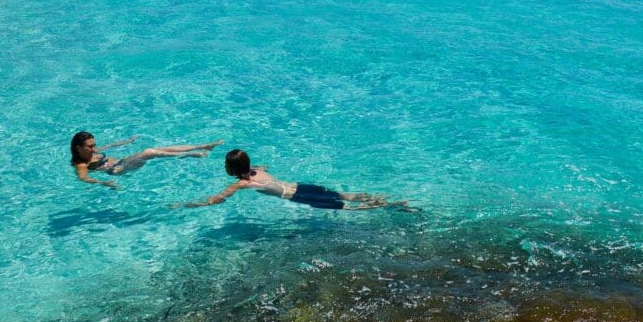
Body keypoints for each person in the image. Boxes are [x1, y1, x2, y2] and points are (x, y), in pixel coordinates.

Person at [172, 148, 405, 210]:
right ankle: (387, 199)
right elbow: (264, 166)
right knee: (343, 195)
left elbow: (219, 199)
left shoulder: (243, 183)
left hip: (297, 196)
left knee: (345, 207)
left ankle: (387, 205)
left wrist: (193, 204)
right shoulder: (255, 170)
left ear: (231, 168)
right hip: (300, 185)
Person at [70, 131, 222, 189]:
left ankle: (202, 146)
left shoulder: (93, 151)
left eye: (94, 145)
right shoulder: (81, 164)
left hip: (122, 161)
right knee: (150, 152)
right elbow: (84, 178)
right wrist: (104, 183)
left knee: (161, 148)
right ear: (78, 148)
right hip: (118, 170)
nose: (93, 149)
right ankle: (192, 154)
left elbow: (111, 146)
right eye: (89, 147)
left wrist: (127, 141)